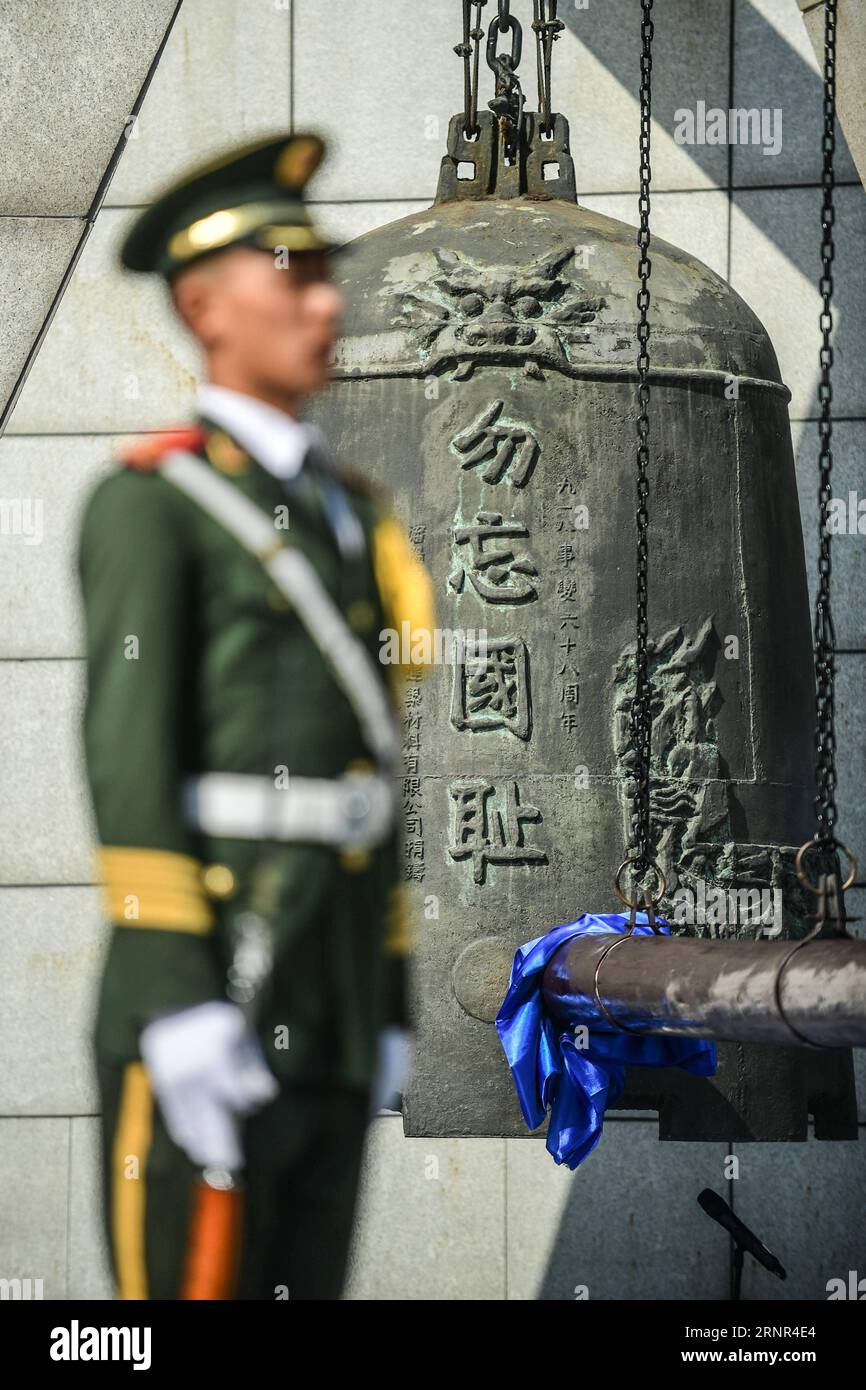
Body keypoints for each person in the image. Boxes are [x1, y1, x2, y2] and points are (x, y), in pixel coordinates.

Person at [77, 133, 435, 1300]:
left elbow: (367, 776)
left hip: (325, 997)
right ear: (202, 305)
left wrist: (382, 999)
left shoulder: (348, 515)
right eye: (292, 277)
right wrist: (177, 998)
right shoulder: (159, 504)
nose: (325, 302)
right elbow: (130, 763)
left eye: (326, 273)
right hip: (215, 982)